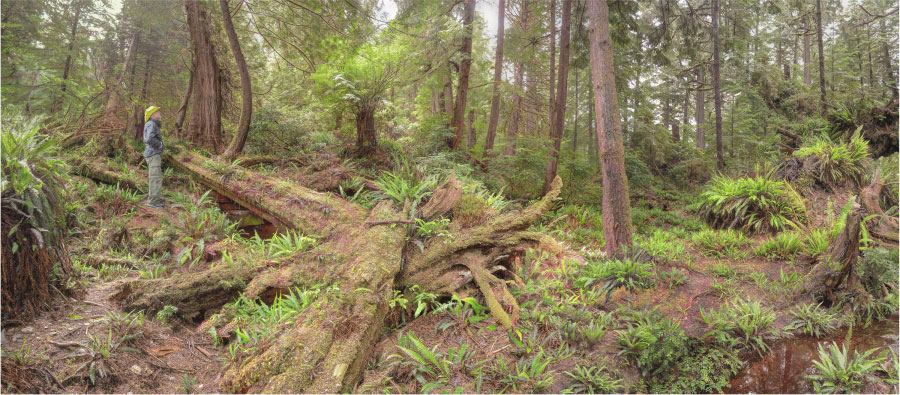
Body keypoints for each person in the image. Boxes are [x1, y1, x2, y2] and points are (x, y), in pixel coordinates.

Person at [143, 106, 165, 208]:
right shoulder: (151, 124)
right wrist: (160, 144)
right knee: (155, 178)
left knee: (156, 177)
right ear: (152, 114)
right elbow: (149, 139)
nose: (159, 112)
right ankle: (153, 202)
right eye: (157, 111)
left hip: (153, 154)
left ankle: (155, 198)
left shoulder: (152, 124)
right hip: (153, 154)